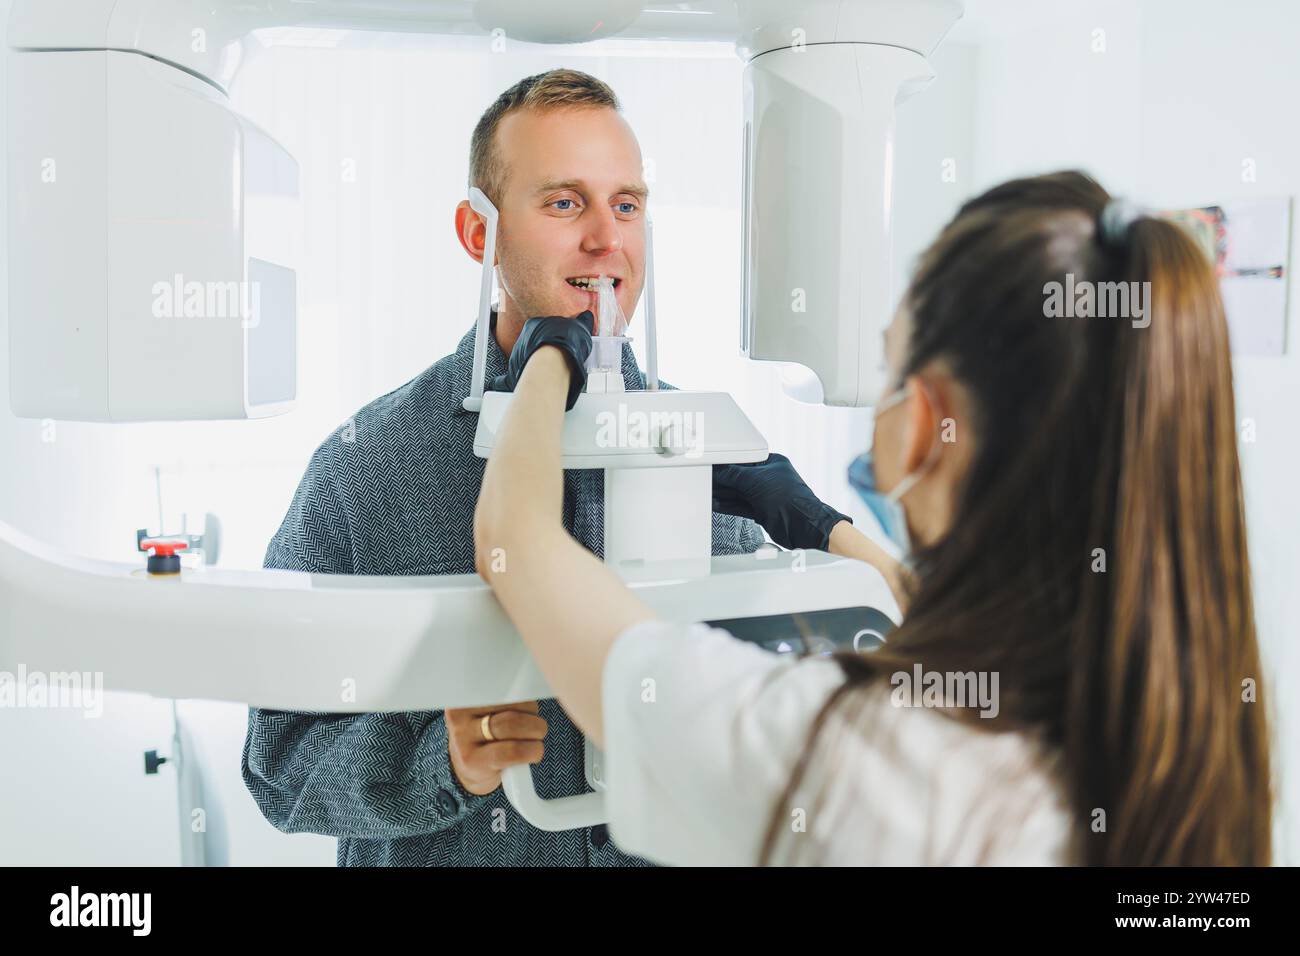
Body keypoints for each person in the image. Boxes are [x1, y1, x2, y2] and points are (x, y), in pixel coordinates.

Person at [473, 171, 1274, 865]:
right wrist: (837, 533)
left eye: (891, 368)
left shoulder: (851, 759)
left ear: (927, 422)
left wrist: (551, 357)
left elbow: (518, 542)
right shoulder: (1198, 733)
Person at [241, 69, 866, 867]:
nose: (608, 239)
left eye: (628, 205)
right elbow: (278, 762)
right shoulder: (363, 472)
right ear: (481, 234)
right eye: (566, 203)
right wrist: (439, 761)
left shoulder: (719, 453)